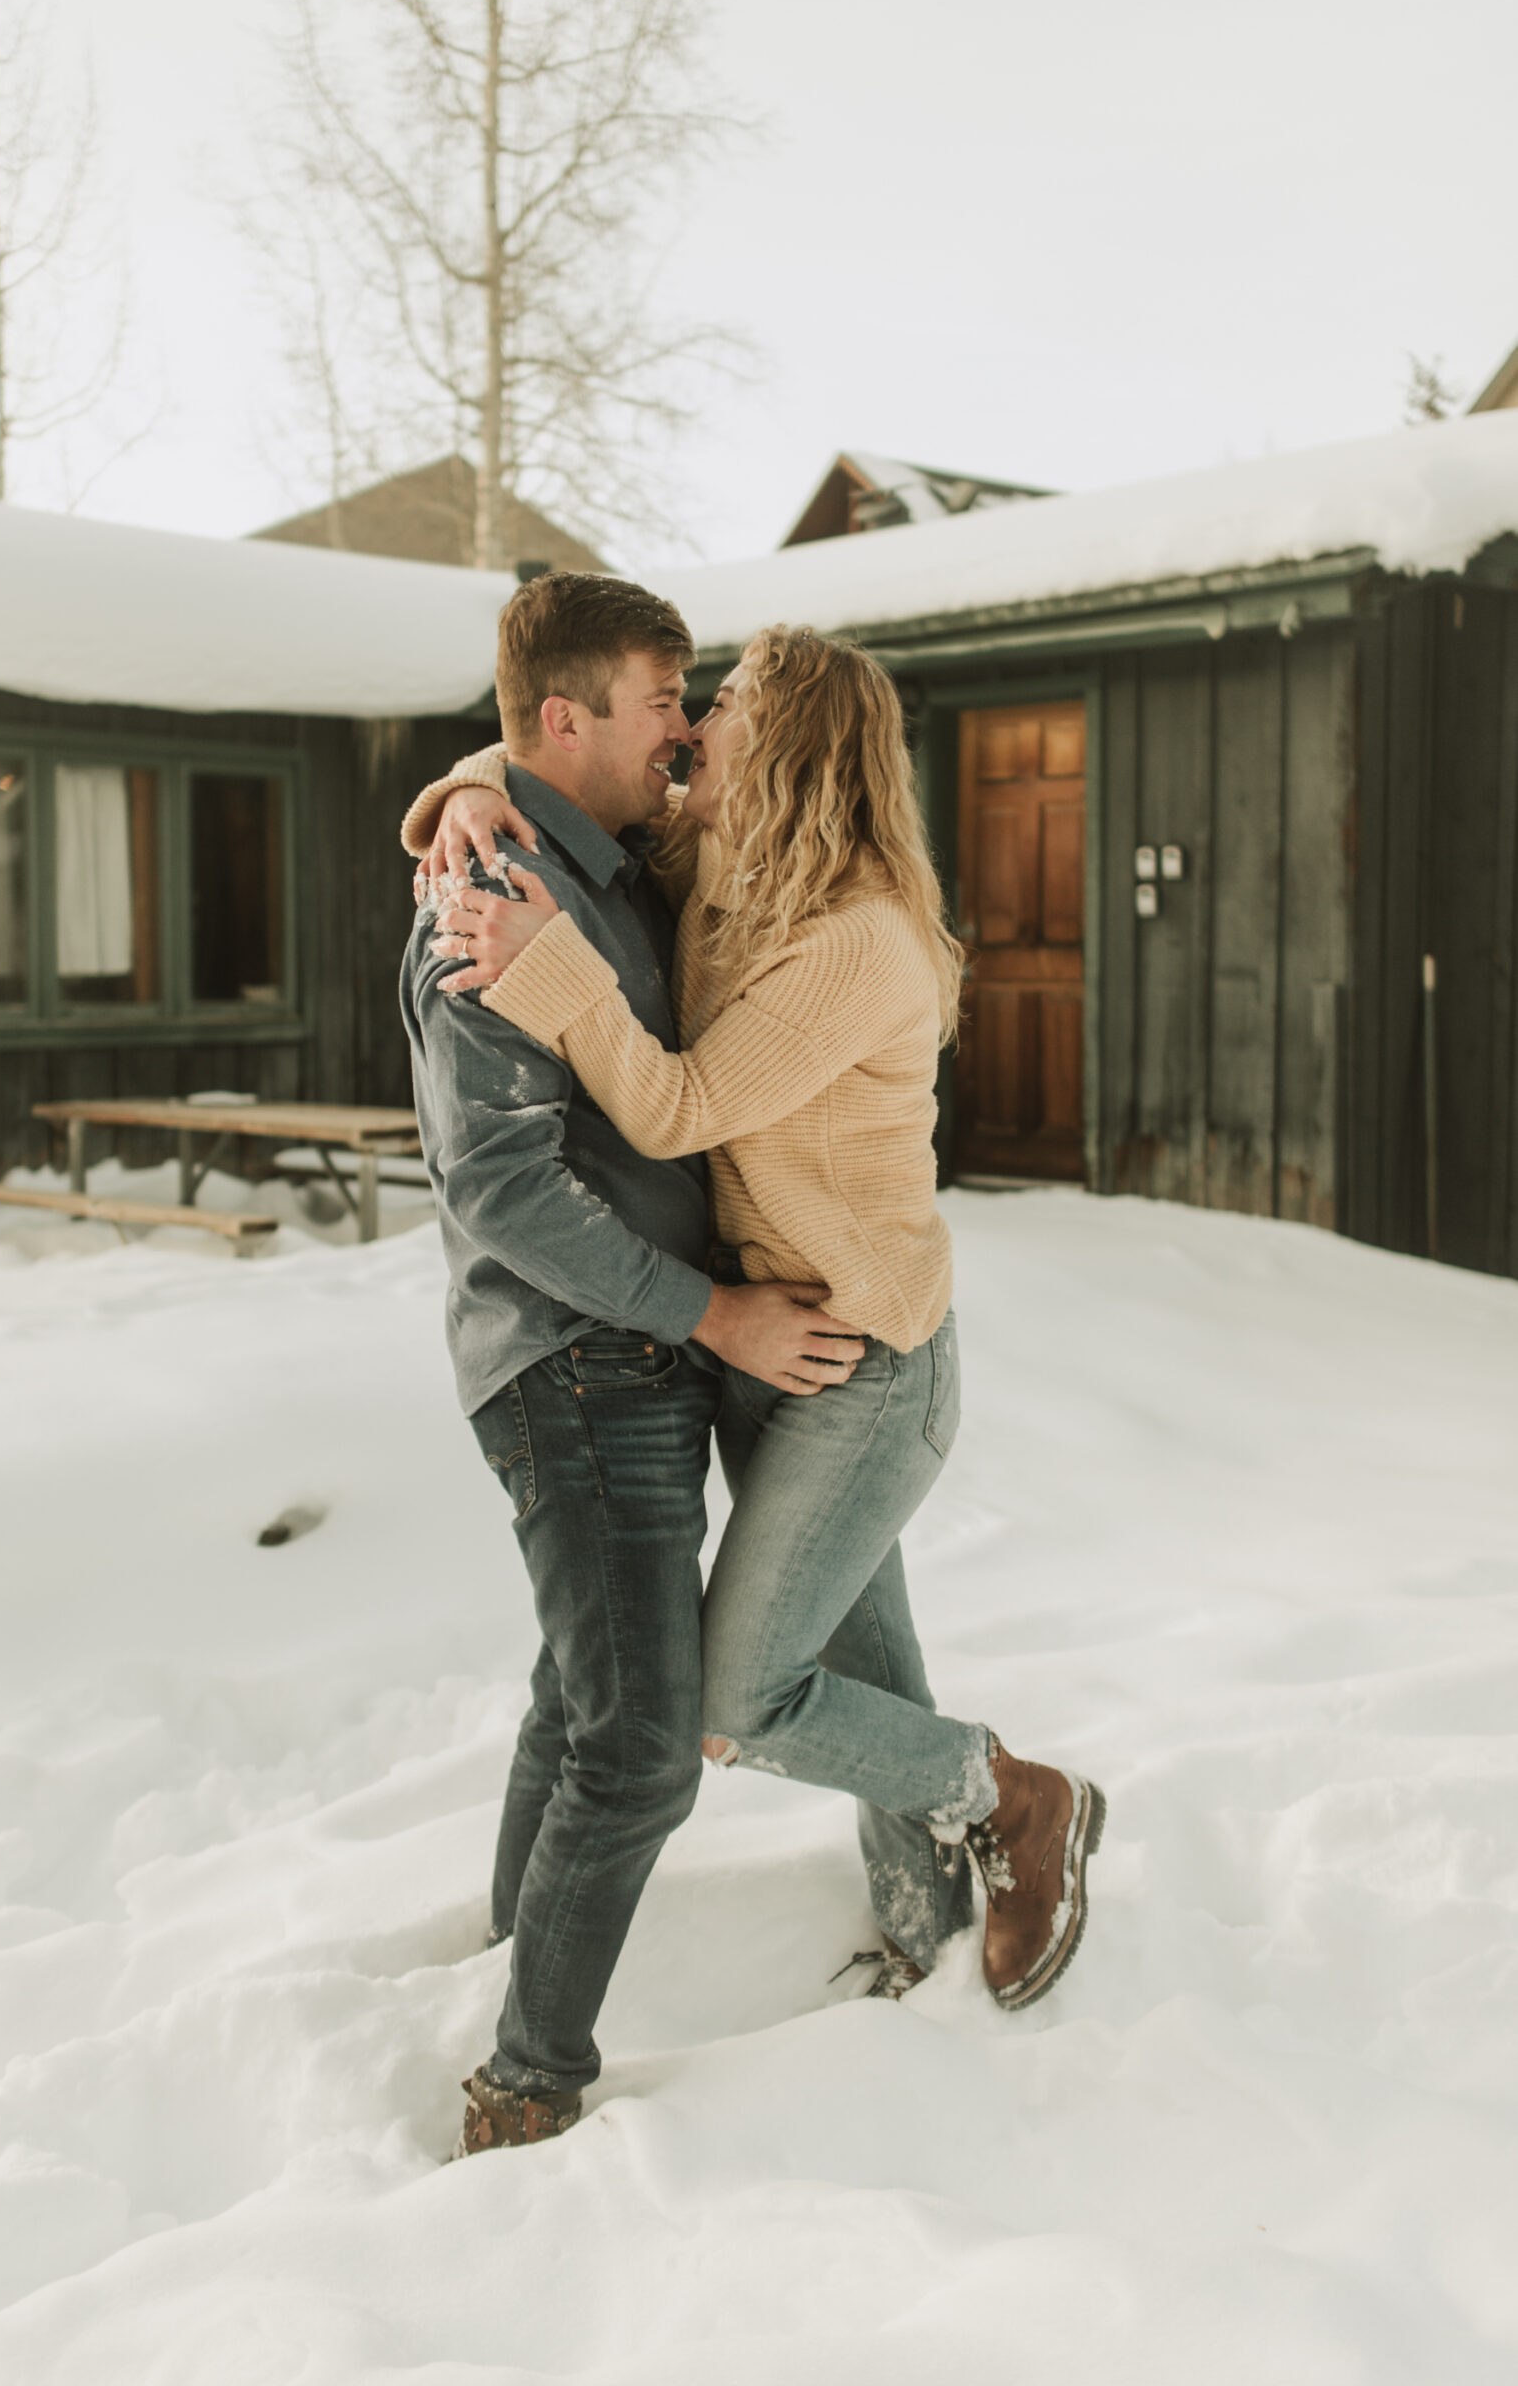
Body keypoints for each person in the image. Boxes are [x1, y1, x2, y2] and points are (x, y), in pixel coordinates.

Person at [416, 622, 1105, 2033]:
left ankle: (1019, 1798)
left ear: (778, 749)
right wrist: (469, 791)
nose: (689, 735)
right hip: (772, 1361)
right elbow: (563, 777)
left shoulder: (858, 942)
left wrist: (546, 963)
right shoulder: (723, 866)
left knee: (740, 1695)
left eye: (716, 713)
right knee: (870, 1674)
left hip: (864, 1364)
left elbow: (670, 1105)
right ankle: (926, 1940)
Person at [398, 575, 866, 2159]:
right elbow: (506, 1190)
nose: (686, 725)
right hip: (577, 1362)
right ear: (562, 718)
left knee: (576, 1695)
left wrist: (459, 785)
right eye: (665, 699)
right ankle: (527, 2078)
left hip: (641, 1356)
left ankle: (499, 1969)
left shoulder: (610, 860)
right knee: (644, 1743)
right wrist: (714, 1316)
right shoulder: (485, 894)